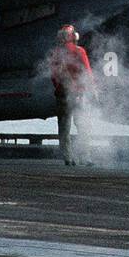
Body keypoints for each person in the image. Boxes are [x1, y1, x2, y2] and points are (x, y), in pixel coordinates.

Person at [48, 23, 94, 165]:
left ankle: (67, 158)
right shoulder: (80, 52)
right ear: (73, 36)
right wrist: (92, 89)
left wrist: (60, 87)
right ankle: (85, 157)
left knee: (64, 127)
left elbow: (53, 76)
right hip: (79, 95)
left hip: (62, 95)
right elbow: (88, 72)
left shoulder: (55, 54)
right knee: (83, 127)